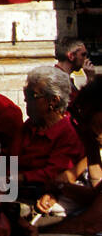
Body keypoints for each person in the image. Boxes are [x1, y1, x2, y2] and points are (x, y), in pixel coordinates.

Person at [19, 65, 86, 194]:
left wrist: (19, 178)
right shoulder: (30, 125)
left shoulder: (69, 132)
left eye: (33, 95)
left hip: (42, 194)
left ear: (54, 101)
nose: (26, 99)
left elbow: (54, 174)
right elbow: (11, 155)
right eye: (25, 93)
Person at [54, 38, 96, 104]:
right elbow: (79, 104)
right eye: (83, 55)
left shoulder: (62, 77)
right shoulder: (59, 80)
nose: (86, 59)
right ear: (71, 56)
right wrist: (90, 79)